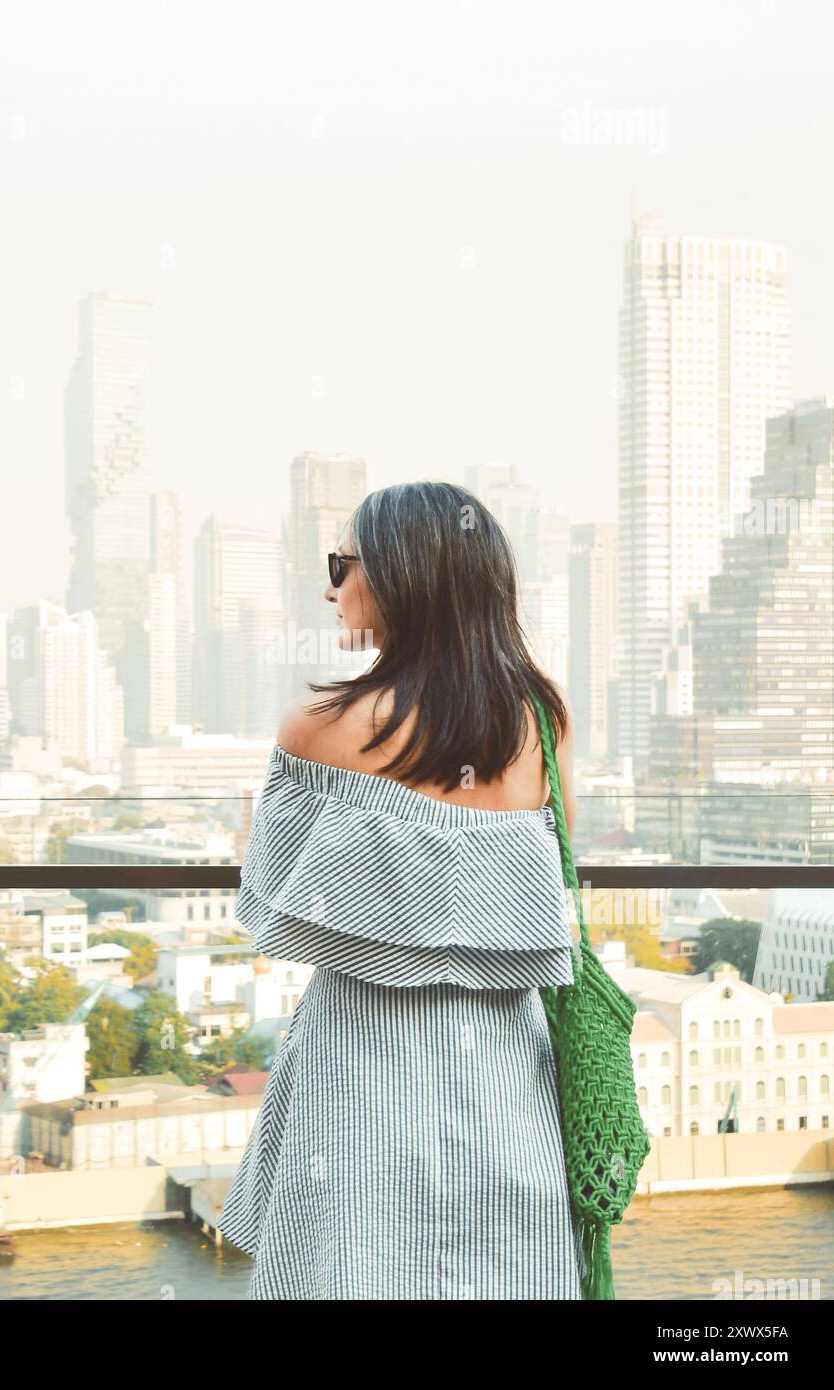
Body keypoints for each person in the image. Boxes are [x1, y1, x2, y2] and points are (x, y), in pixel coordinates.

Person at [218, 480, 586, 1299]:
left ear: (401, 573)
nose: (330, 585)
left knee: (349, 1263)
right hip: (504, 1067)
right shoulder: (538, 719)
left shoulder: (317, 726)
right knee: (508, 1265)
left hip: (358, 1060)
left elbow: (271, 899)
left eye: (342, 563)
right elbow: (560, 874)